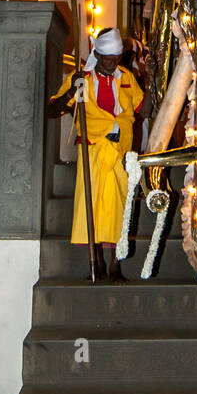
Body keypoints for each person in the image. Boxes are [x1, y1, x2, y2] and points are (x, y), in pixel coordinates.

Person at [48, 27, 147, 282]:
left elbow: (143, 109)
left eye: (116, 58)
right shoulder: (82, 79)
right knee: (91, 206)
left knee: (119, 207)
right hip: (92, 148)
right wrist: (71, 92)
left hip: (121, 151)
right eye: (107, 59)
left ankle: (116, 266)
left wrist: (155, 81)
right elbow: (53, 110)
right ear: (97, 55)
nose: (112, 64)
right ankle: (97, 264)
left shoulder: (127, 77)